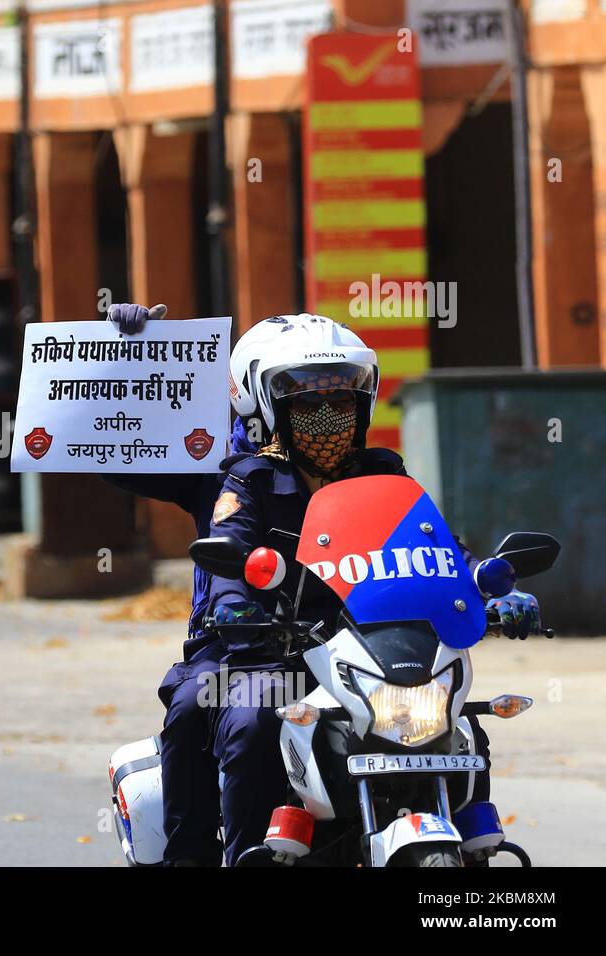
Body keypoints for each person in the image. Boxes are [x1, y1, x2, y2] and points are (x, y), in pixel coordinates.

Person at [198, 314, 539, 864]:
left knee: (459, 723)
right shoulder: (250, 483)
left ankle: (474, 845)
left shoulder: (385, 475)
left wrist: (492, 590)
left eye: (342, 404)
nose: (329, 419)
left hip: (377, 648)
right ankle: (245, 856)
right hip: (276, 648)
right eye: (309, 407)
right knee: (248, 718)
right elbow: (230, 557)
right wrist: (235, 606)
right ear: (267, 410)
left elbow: (437, 547)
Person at [104, 303, 290, 864]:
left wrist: (483, 583)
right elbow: (120, 452)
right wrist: (129, 358)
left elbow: (425, 539)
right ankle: (197, 854)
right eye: (303, 395)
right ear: (258, 394)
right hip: (238, 643)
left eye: (337, 395)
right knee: (196, 706)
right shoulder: (217, 457)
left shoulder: (374, 470)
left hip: (347, 646)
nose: (323, 411)